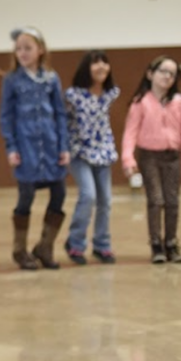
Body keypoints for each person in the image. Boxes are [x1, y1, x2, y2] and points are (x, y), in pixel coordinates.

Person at [0, 27, 70, 270]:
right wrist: (11, 147)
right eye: (18, 48)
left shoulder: (51, 78)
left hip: (50, 147)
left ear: (40, 50)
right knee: (26, 196)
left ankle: (45, 246)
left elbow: (60, 113)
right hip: (26, 148)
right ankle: (19, 250)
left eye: (27, 48)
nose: (22, 52)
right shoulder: (11, 80)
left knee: (59, 193)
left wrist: (63, 146)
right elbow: (6, 116)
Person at [121, 55, 181, 264]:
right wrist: (128, 159)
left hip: (172, 157)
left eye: (172, 73)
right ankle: (155, 243)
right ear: (150, 74)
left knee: (172, 201)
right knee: (156, 200)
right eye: (163, 71)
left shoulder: (180, 103)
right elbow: (130, 133)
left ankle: (171, 242)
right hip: (149, 157)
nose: (167, 76)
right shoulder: (140, 103)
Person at [63, 50, 121, 265]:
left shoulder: (110, 93)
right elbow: (63, 122)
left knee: (105, 200)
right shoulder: (73, 95)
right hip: (79, 152)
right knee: (88, 195)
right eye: (96, 63)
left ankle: (101, 245)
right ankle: (75, 242)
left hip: (103, 151)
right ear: (86, 68)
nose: (101, 67)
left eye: (105, 62)